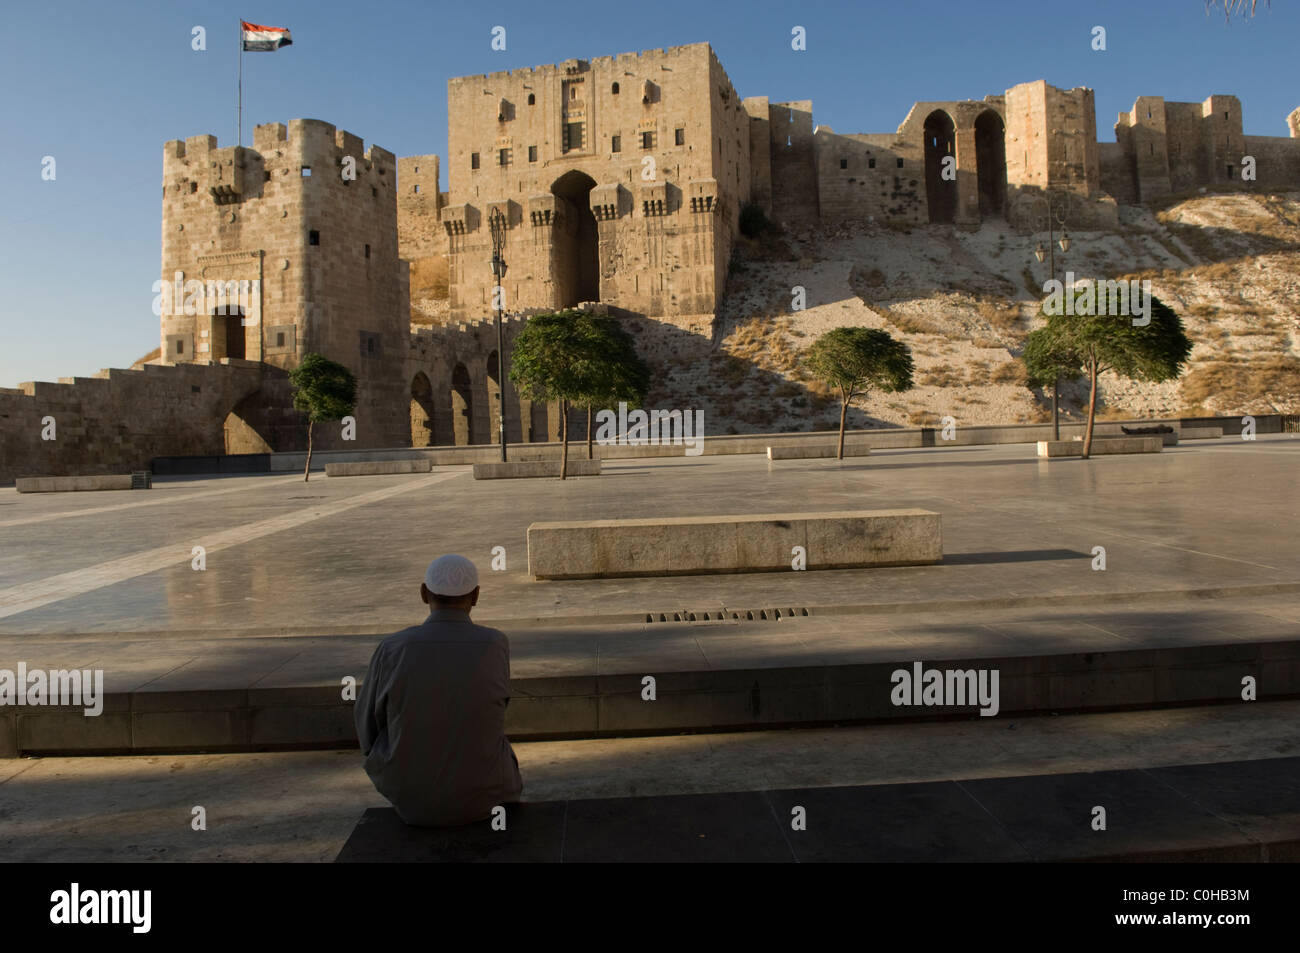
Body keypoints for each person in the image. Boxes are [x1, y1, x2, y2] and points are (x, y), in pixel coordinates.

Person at [355, 554, 523, 826]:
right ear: (476, 595)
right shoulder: (495, 644)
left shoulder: (393, 648)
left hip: (411, 800)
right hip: (486, 797)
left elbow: (366, 725)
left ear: (424, 593)